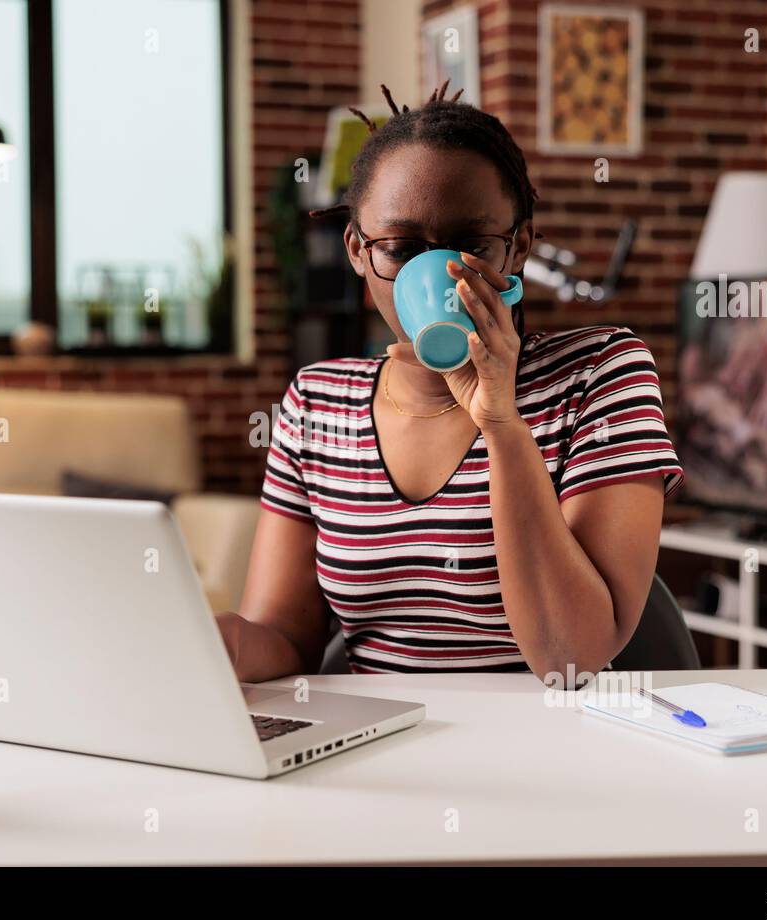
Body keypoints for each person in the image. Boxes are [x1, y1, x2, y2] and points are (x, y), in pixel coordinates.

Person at [218, 82, 683, 685]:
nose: (442, 272)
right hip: (375, 751)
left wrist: (501, 423)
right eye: (403, 247)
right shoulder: (316, 401)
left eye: (471, 244)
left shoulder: (600, 374)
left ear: (518, 246)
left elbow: (569, 658)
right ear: (359, 252)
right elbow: (286, 641)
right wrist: (214, 642)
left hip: (557, 754)